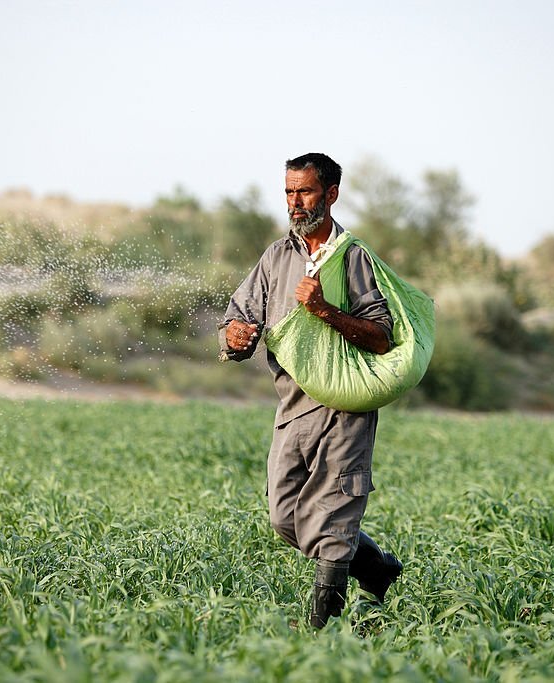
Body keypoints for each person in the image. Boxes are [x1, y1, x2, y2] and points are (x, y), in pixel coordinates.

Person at [219, 152, 403, 629]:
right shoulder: (277, 257)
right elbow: (239, 317)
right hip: (293, 407)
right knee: (285, 518)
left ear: (331, 194)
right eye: (288, 192)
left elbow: (382, 336)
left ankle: (325, 634)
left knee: (333, 516)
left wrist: (325, 310)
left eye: (305, 192)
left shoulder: (353, 258)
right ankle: (378, 568)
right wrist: (234, 336)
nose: (294, 202)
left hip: (345, 407)